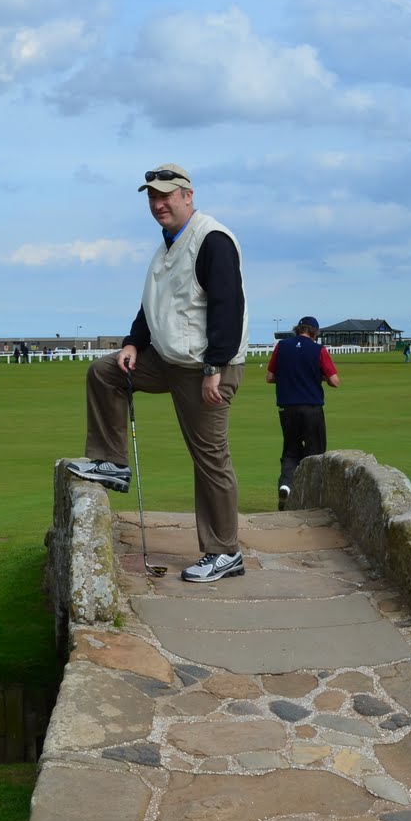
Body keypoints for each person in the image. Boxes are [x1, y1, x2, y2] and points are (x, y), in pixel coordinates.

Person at [66, 163, 249, 583]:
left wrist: (214, 368)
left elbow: (228, 308)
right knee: (104, 372)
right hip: (168, 359)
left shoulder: (212, 240)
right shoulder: (168, 243)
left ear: (188, 195)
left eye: (166, 195)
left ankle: (225, 552)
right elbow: (154, 304)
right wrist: (133, 342)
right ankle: (111, 462)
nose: (158, 203)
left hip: (207, 368)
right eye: (152, 196)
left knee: (209, 458)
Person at [266, 316, 340, 509]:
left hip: (287, 408)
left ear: (297, 329)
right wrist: (318, 376)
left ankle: (285, 486)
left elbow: (270, 377)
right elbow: (335, 381)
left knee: (290, 451)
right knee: (315, 452)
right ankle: (312, 500)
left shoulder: (281, 346)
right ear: (314, 332)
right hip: (311, 408)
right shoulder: (318, 349)